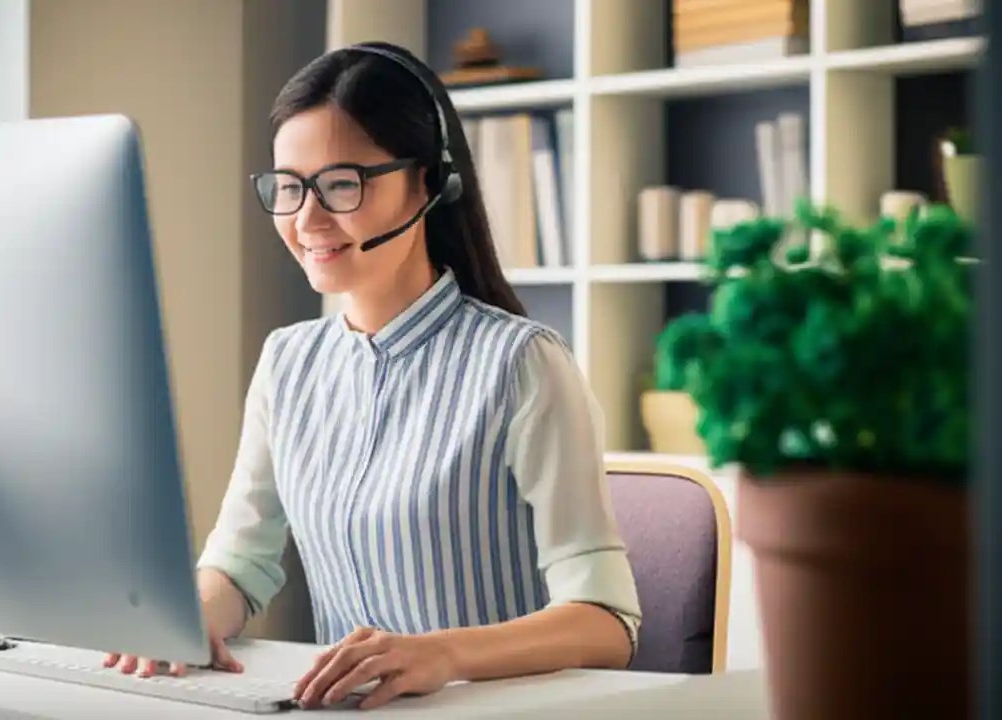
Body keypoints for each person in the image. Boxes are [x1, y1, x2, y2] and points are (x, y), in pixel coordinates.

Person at [104, 41, 642, 710]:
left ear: (428, 184)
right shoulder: (288, 362)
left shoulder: (522, 365)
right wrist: (191, 619)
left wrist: (444, 653)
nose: (307, 220)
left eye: (341, 184)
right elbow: (241, 564)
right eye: (290, 187)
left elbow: (606, 619)